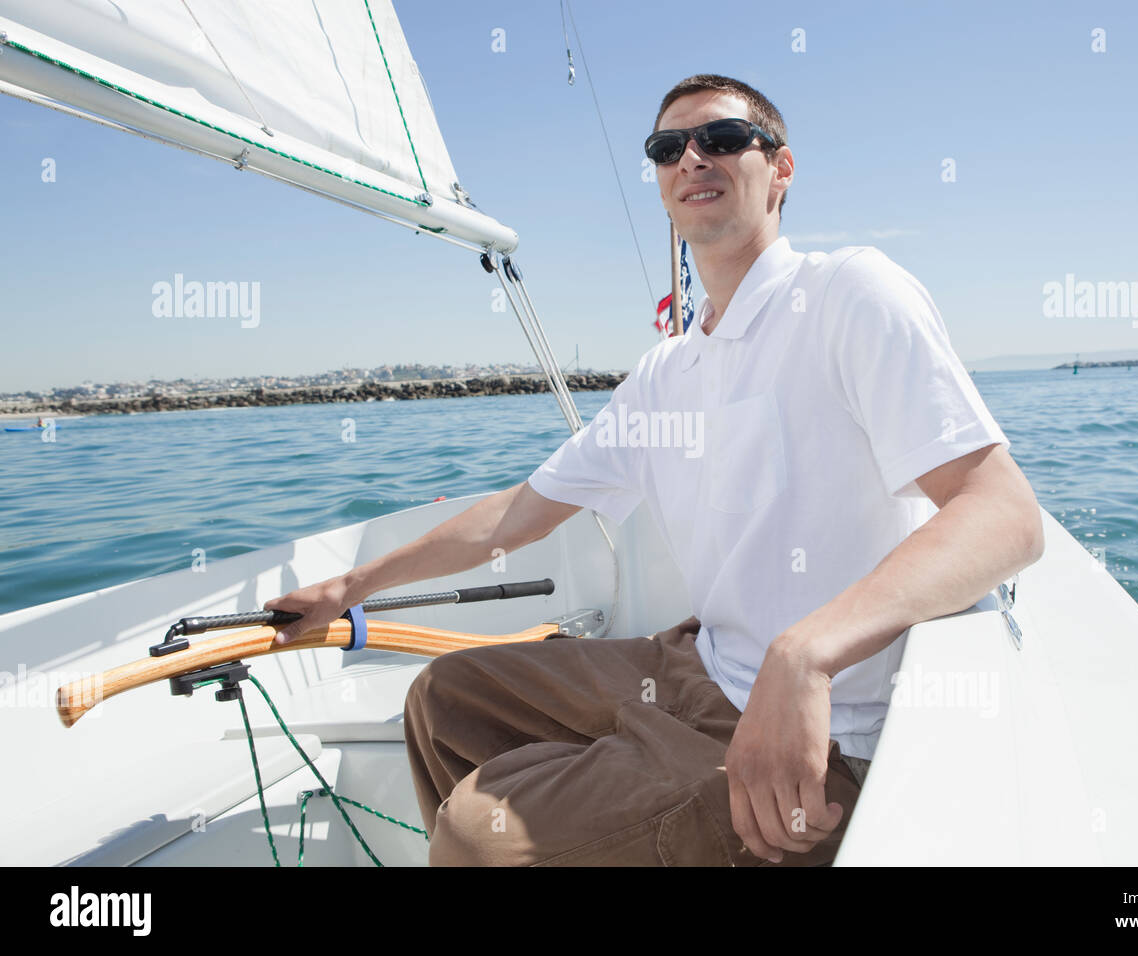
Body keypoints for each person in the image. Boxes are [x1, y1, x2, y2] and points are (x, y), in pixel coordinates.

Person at [265, 73, 1045, 866]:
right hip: (692, 665)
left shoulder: (848, 293)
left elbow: (1003, 515)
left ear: (780, 170)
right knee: (442, 700)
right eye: (668, 149)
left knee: (474, 834)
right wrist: (348, 588)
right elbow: (520, 515)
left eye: (724, 139)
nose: (692, 159)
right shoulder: (666, 373)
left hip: (824, 727)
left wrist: (805, 652)